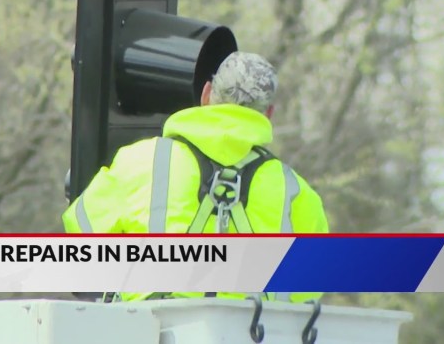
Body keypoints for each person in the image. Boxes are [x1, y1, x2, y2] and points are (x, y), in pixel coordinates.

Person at [62, 51, 329, 303]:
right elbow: (310, 291)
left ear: (206, 94)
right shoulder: (296, 192)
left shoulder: (142, 161)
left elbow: (82, 230)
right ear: (268, 115)